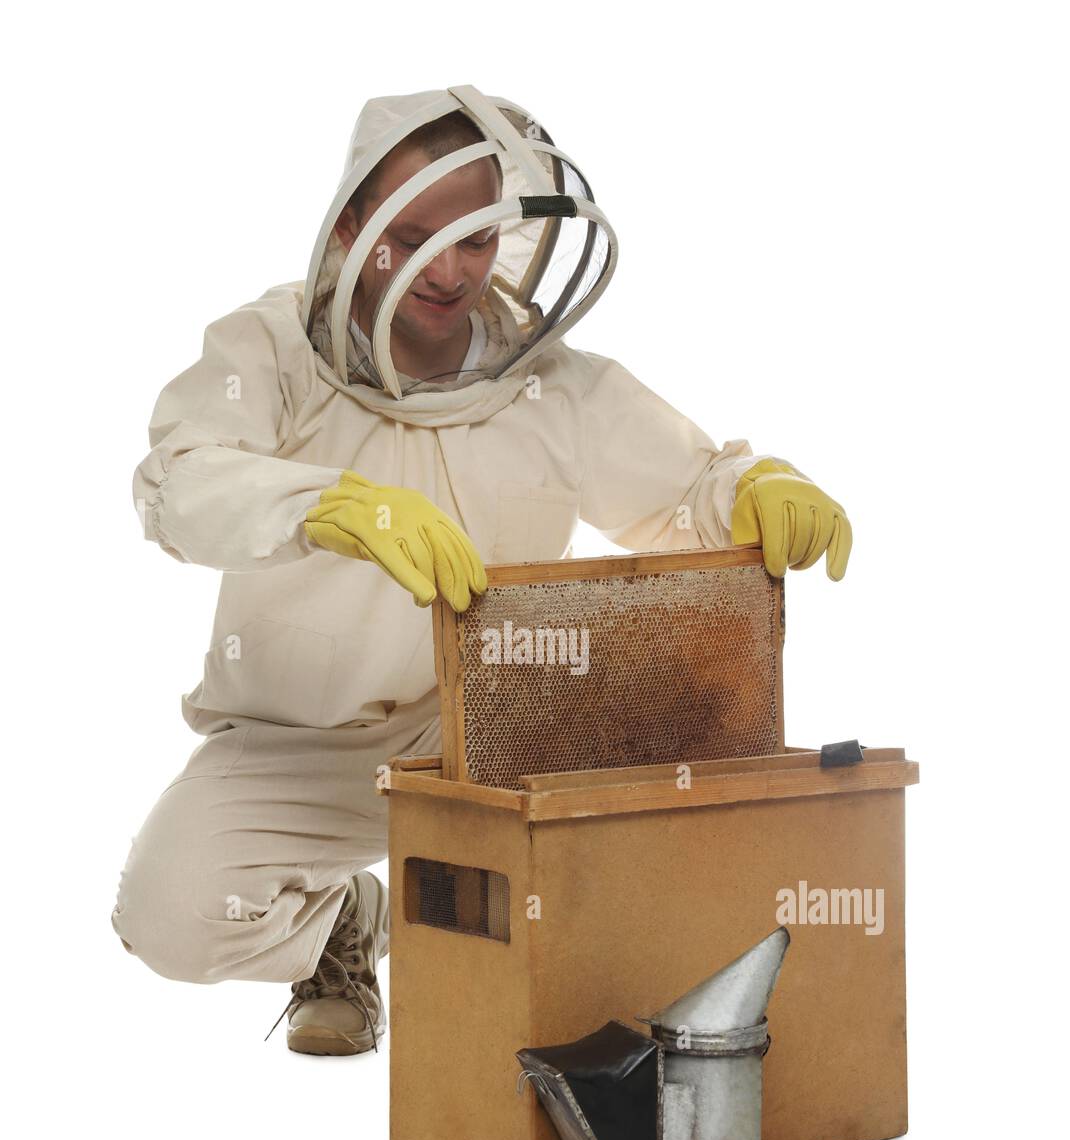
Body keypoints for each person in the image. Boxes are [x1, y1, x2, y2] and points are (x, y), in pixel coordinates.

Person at [112, 85, 852, 1056]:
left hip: (509, 722)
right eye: (411, 234)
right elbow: (177, 479)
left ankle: (610, 1043)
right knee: (171, 917)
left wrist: (759, 486)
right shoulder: (270, 351)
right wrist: (322, 504)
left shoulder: (550, 380)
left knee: (604, 902)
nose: (446, 268)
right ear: (349, 229)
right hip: (303, 746)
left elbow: (686, 486)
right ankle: (342, 926)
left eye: (469, 237)